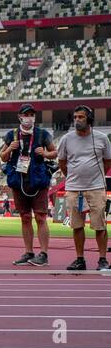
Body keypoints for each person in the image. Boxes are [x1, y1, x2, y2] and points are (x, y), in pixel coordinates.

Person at [0, 103, 58, 266]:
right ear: (20, 117)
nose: (29, 117)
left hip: (38, 180)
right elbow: (3, 157)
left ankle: (44, 254)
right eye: (26, 115)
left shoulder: (42, 134)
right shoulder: (11, 135)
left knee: (40, 216)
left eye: (32, 115)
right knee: (25, 217)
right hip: (19, 180)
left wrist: (46, 153)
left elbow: (55, 153)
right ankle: (28, 252)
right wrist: (9, 149)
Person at [57, 105, 111, 271]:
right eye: (75, 117)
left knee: (100, 225)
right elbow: (62, 163)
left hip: (96, 188)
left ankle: (102, 259)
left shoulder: (102, 138)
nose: (77, 120)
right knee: (77, 225)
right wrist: (74, 178)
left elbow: (108, 161)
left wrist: (94, 176)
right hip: (74, 188)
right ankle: (80, 259)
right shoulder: (66, 139)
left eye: (81, 117)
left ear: (90, 119)